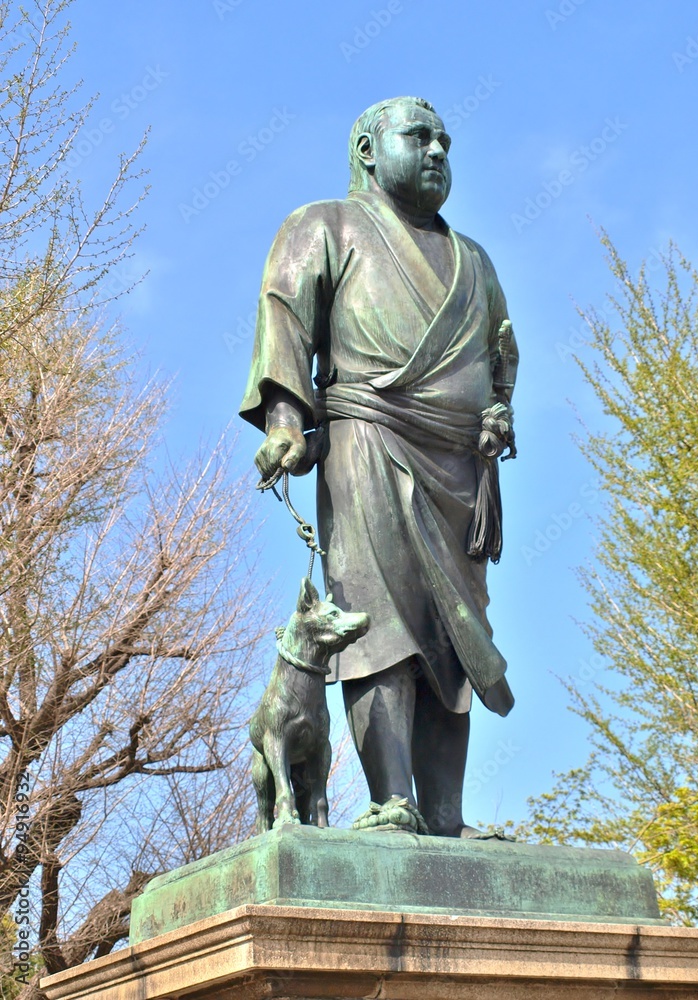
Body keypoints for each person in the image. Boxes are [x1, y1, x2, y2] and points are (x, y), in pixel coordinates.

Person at [240, 96, 518, 837]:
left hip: (459, 465)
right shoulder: (322, 226)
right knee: (380, 619)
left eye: (445, 141)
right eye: (417, 136)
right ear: (366, 149)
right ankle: (392, 799)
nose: (436, 150)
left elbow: (499, 354)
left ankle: (449, 816)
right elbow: (287, 317)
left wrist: (498, 412)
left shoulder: (475, 261)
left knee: (454, 634)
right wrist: (288, 420)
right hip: (367, 438)